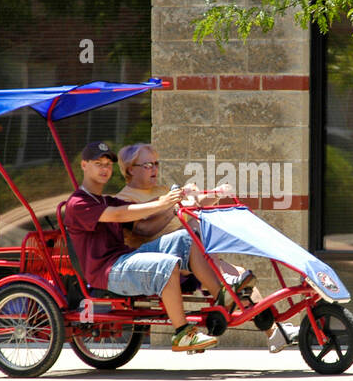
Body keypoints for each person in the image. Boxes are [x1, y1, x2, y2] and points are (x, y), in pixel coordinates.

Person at [114, 142, 300, 353]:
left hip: (191, 252)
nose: (155, 169)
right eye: (148, 165)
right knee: (195, 237)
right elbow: (144, 230)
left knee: (240, 273)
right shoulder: (124, 198)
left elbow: (193, 204)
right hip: (159, 255)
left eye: (156, 163)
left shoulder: (162, 190)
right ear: (130, 168)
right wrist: (173, 206)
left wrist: (216, 194)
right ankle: (225, 294)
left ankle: (274, 332)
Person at [64, 140, 228, 352]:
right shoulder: (79, 203)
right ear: (84, 165)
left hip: (125, 259)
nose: (105, 168)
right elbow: (121, 215)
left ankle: (224, 300)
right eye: (98, 163)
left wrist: (179, 201)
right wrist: (164, 202)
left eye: (108, 164)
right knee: (167, 265)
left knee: (187, 238)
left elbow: (146, 221)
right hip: (107, 271)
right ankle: (182, 334)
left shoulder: (107, 200)